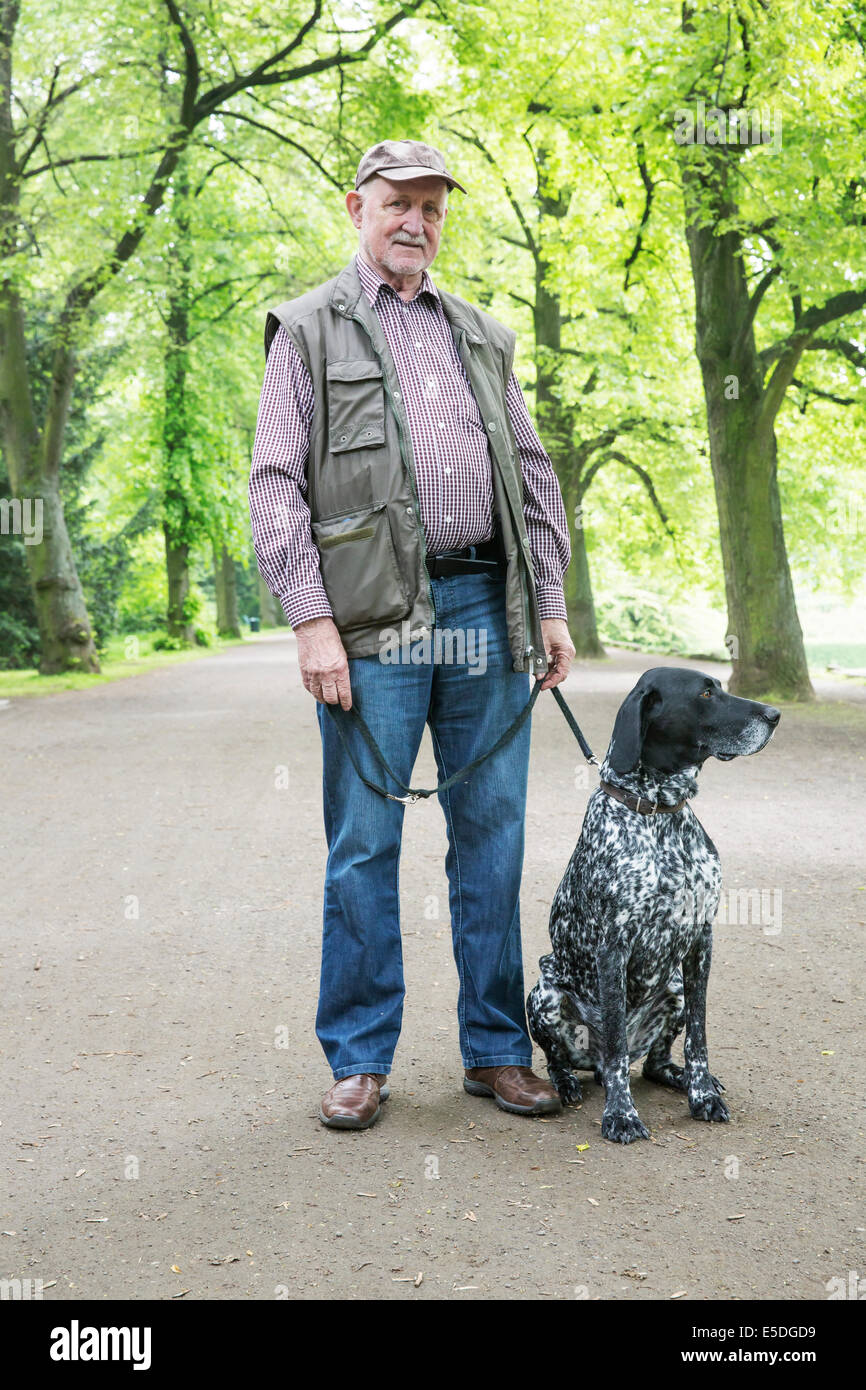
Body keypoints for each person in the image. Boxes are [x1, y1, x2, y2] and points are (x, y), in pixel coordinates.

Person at [249, 139, 575, 1130]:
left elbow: (527, 469)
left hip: (482, 607)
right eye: (398, 203)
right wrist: (311, 621)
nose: (415, 223)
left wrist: (548, 603)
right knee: (363, 841)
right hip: (369, 620)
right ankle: (357, 1058)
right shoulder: (305, 330)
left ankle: (493, 1051)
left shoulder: (479, 332)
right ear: (357, 206)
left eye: (431, 208)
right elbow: (273, 483)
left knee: (492, 834)